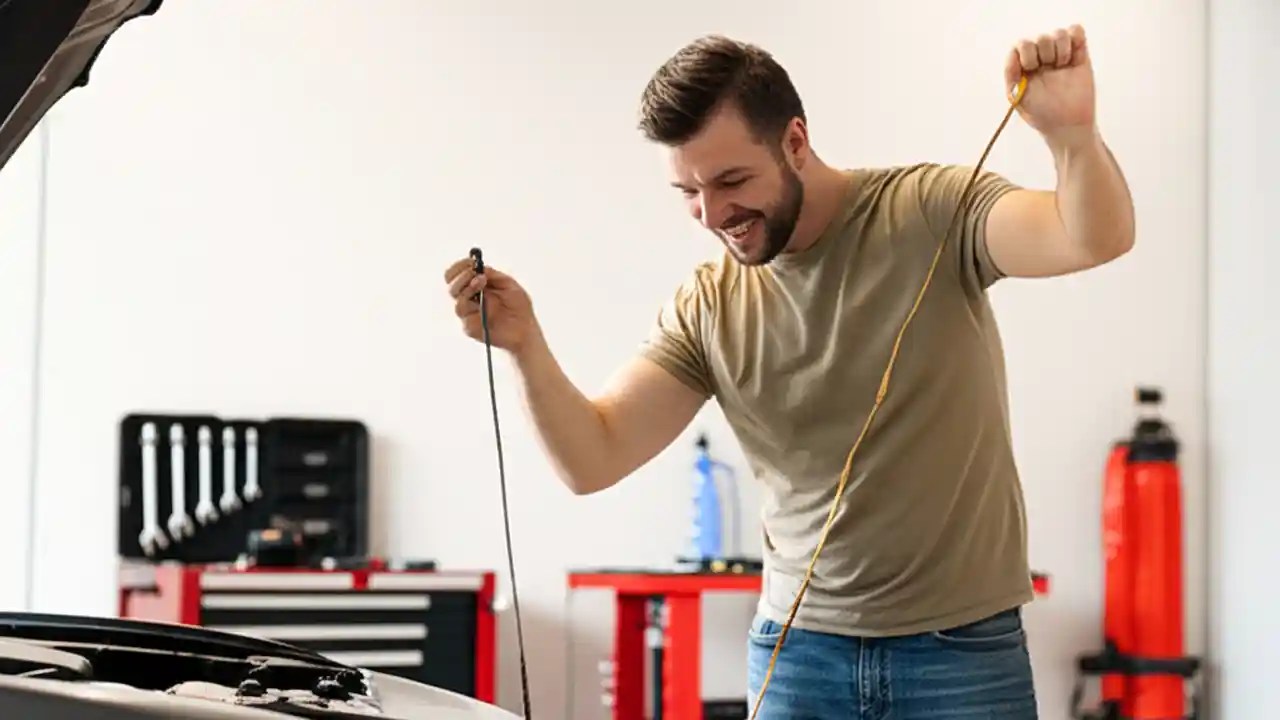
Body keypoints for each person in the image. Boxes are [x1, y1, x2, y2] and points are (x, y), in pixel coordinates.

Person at [444, 24, 1132, 719]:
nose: (713, 214)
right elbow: (592, 458)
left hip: (961, 653)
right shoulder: (710, 304)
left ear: (795, 142)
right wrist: (524, 344)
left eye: (731, 180)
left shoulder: (930, 210)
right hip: (799, 657)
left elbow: (1090, 237)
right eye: (688, 191)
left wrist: (1072, 136)